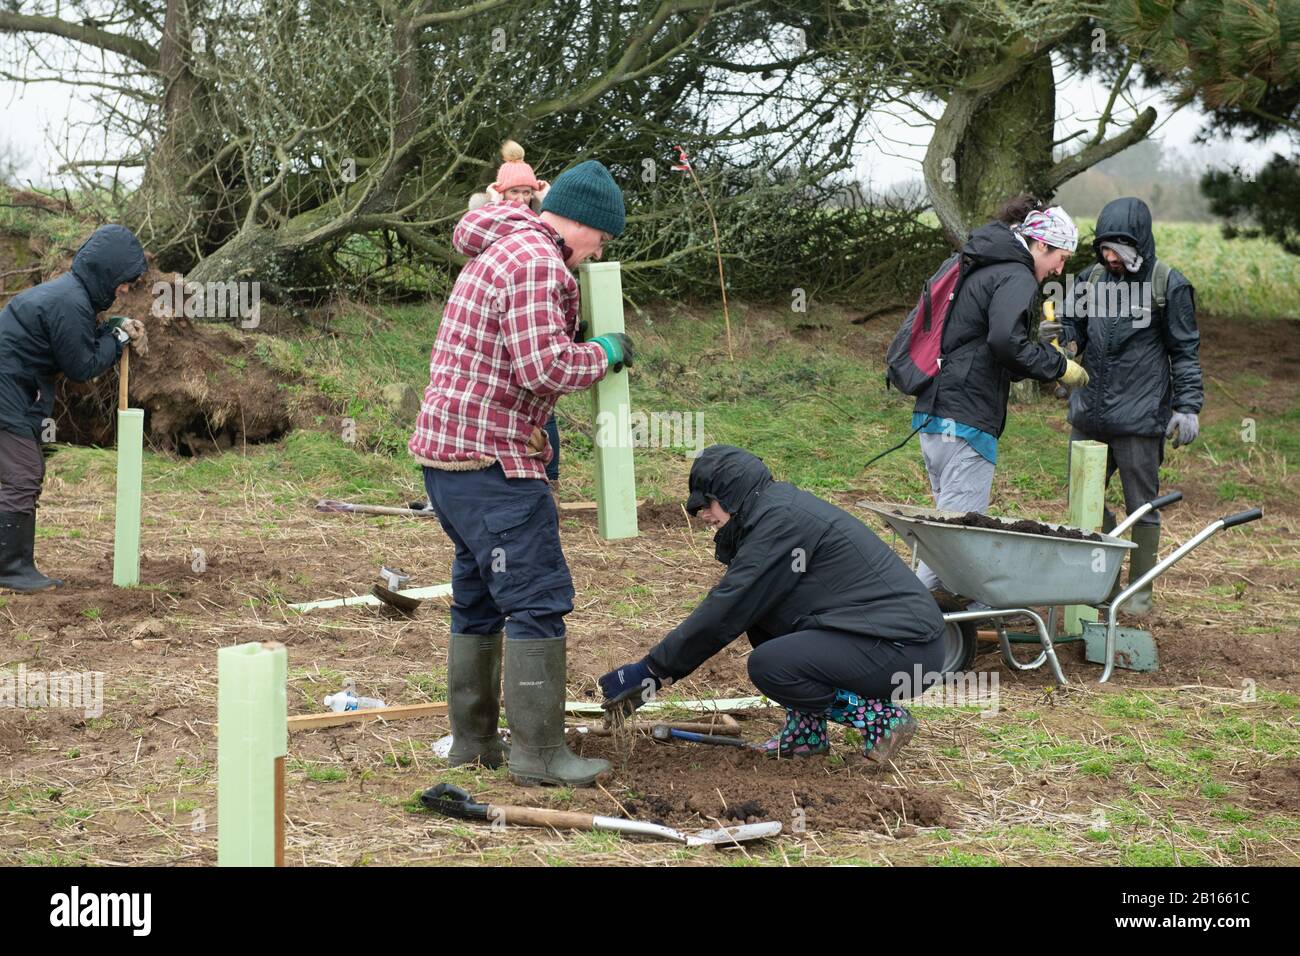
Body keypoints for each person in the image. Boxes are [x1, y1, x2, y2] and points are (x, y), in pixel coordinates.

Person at [409, 158, 633, 787]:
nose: (596, 255)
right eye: (602, 240)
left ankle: (473, 742)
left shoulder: (502, 246)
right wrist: (605, 352)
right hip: (496, 463)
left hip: (449, 463)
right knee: (536, 599)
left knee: (478, 596)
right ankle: (538, 755)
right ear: (584, 224)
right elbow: (545, 369)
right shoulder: (536, 261)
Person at [599, 445, 948, 763]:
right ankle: (805, 735)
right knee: (765, 624)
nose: (701, 514)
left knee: (771, 664)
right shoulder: (771, 513)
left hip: (906, 647)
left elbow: (726, 607)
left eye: (707, 503)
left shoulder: (780, 523)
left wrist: (652, 671)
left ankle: (882, 720)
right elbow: (745, 607)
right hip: (882, 638)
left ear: (732, 495)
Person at [910, 204, 1089, 596]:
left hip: (935, 416)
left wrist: (1038, 357)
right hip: (968, 421)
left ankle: (944, 622)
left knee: (943, 535)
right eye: (1061, 258)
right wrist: (1058, 366)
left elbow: (988, 345)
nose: (1060, 270)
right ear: (1041, 245)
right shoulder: (1016, 275)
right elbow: (1005, 342)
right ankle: (898, 626)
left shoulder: (985, 266)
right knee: (954, 542)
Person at [1052, 197, 1203, 614]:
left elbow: (1185, 351)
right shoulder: (1088, 280)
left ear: (1139, 245)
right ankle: (1096, 584)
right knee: (1082, 501)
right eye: (1104, 248)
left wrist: (1187, 407)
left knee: (1143, 508)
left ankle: (1136, 599)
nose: (1109, 257)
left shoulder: (1167, 285)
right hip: (1089, 415)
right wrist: (1066, 346)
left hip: (1139, 419)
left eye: (1118, 249)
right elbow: (1072, 326)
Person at [0, 224, 148, 592]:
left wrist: (113, 327)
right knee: (23, 474)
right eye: (124, 281)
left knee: (18, 473)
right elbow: (81, 366)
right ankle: (11, 569)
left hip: (14, 388)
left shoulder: (69, 295)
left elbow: (78, 341)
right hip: (8, 391)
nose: (125, 289)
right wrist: (118, 336)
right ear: (107, 272)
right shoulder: (70, 302)